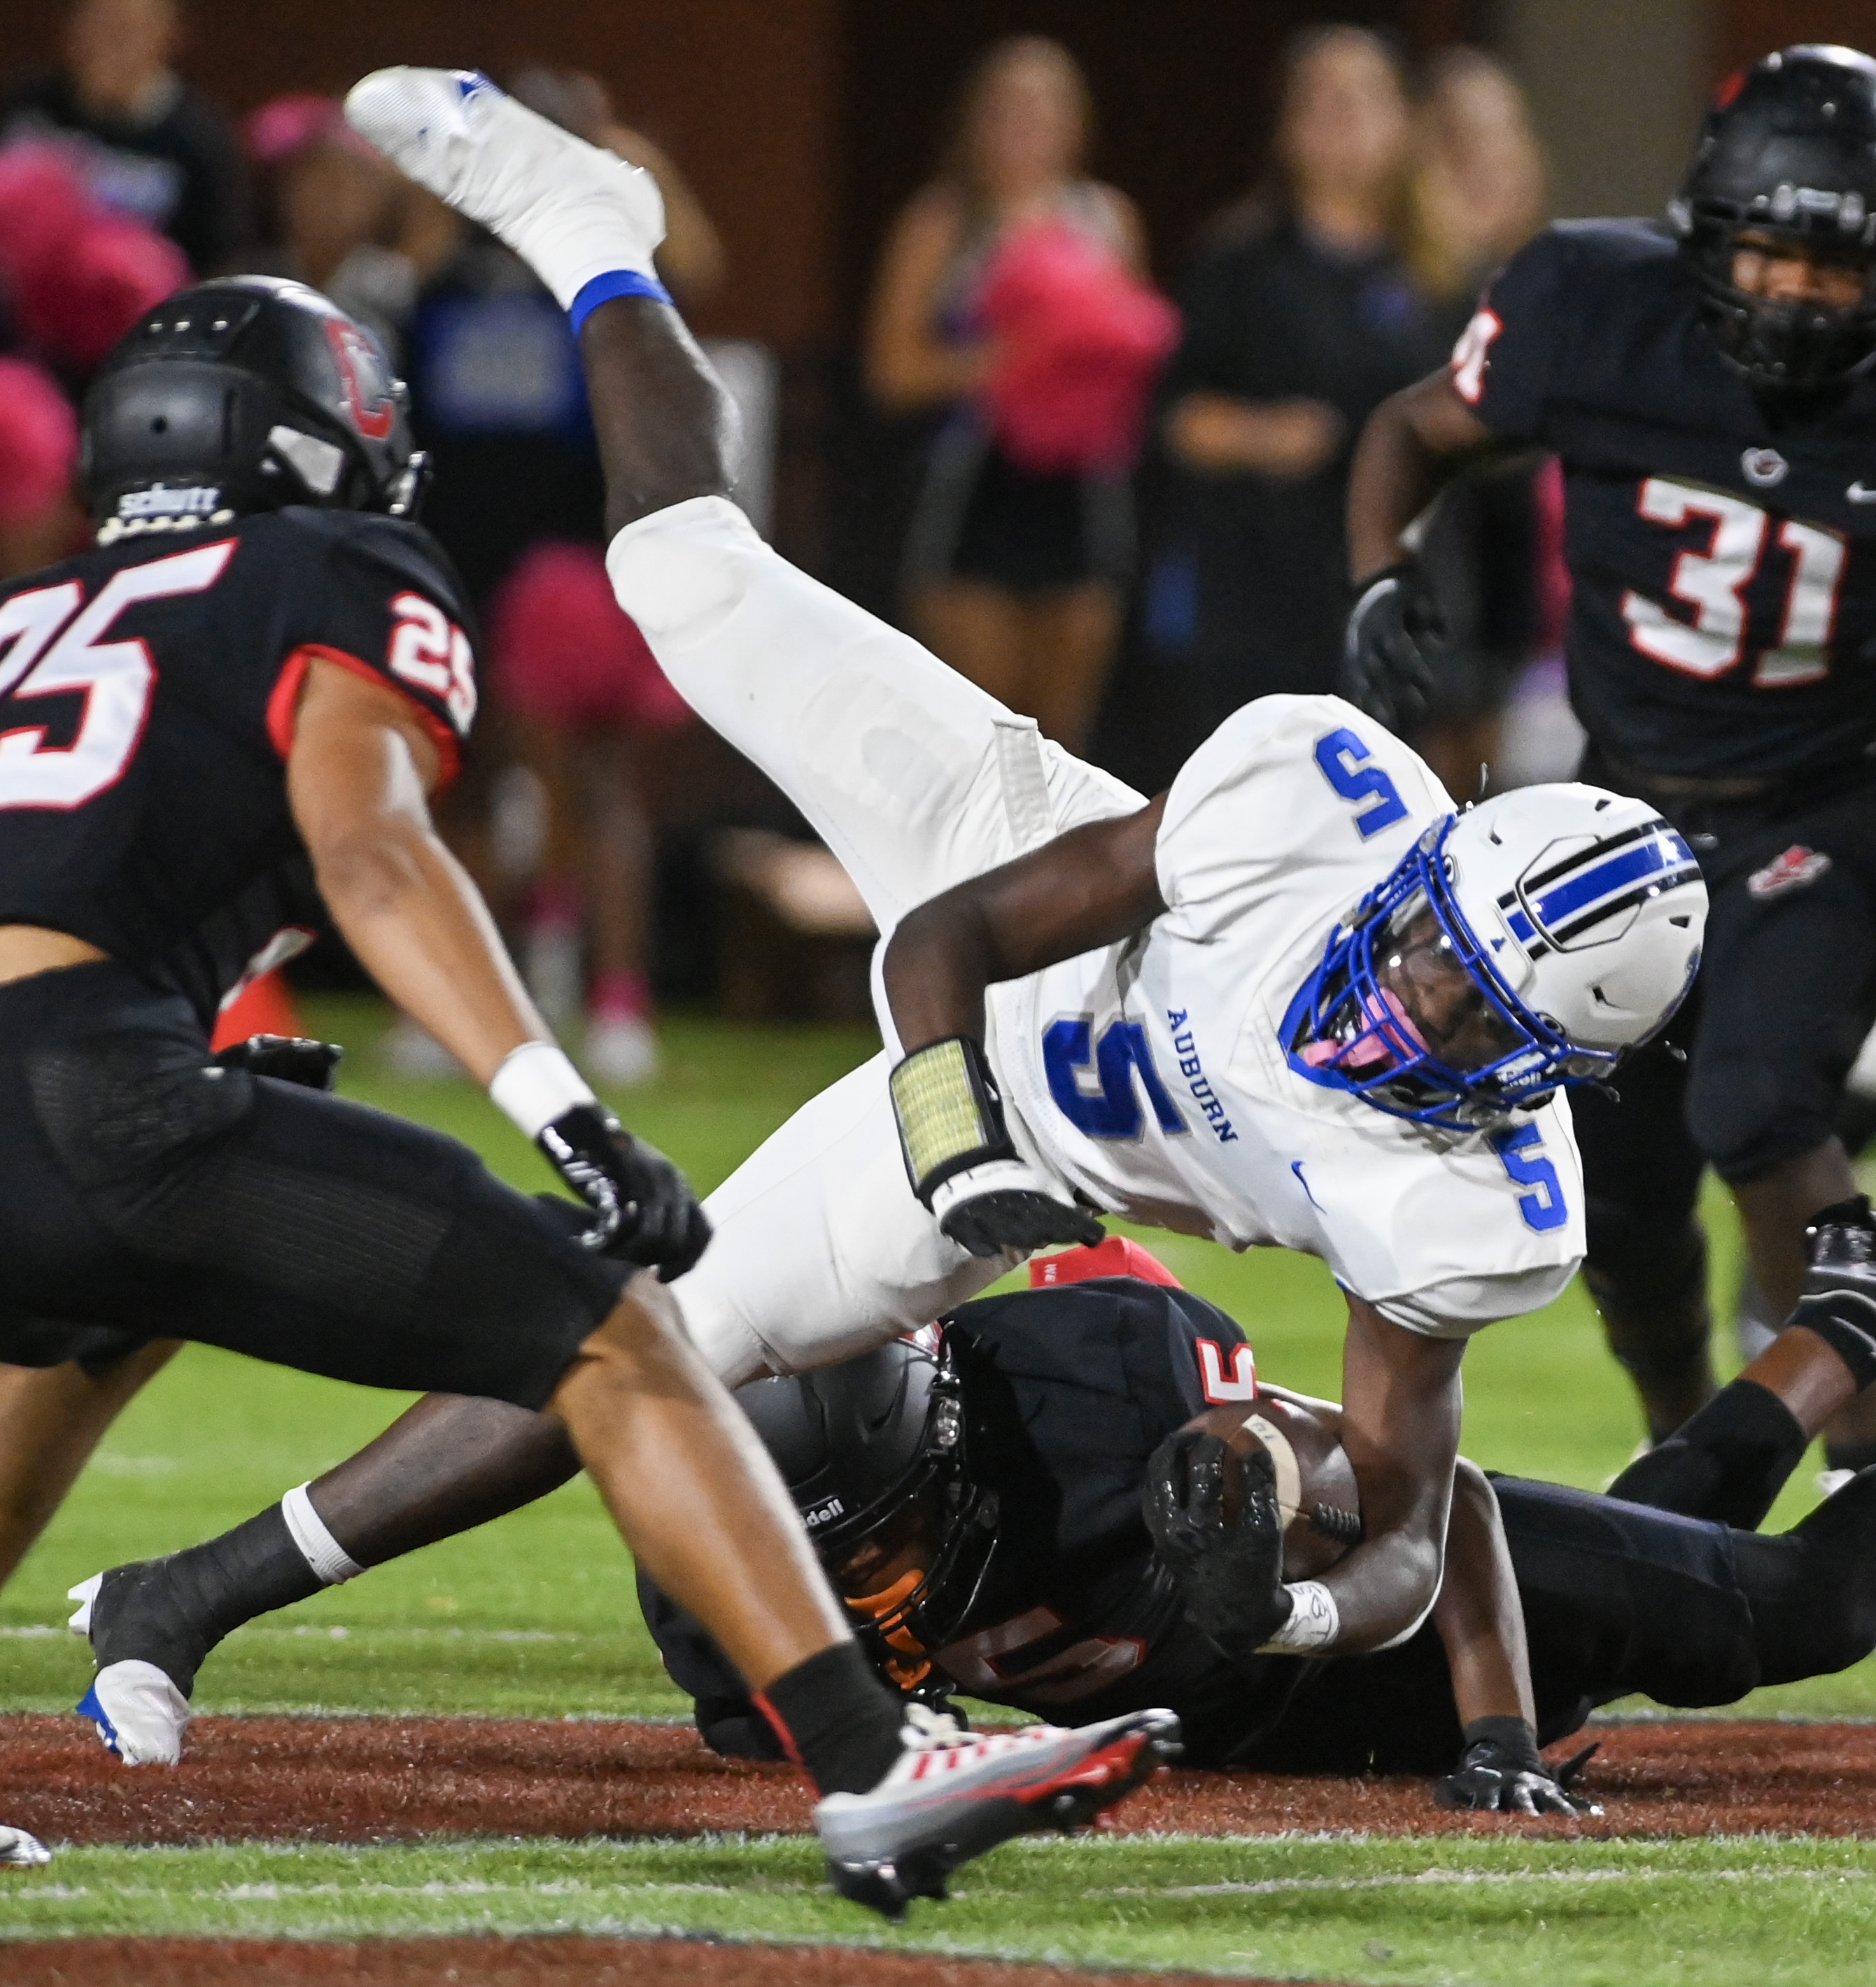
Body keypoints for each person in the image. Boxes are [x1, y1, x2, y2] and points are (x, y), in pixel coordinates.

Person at [314, 66, 1707, 1673]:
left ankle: (223, 1585)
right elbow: (960, 927)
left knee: (666, 1333)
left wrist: (1305, 1612)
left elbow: (1411, 1505)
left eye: (1476, 1013)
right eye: (1436, 934)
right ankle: (590, 231)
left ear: (1550, 1071)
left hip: (1040, 1137)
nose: (1416, 986)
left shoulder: (1486, 1209)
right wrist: (948, 1117)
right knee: (683, 580)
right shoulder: (1314, 799)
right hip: (1006, 870)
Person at [0, 269, 1174, 1917]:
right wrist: (556, 1099)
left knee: (80, 1314)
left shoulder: (31, 609)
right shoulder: (331, 566)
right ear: (330, 441)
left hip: (66, 1087)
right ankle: (867, 1764)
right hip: (87, 1088)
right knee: (616, 1324)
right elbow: (374, 846)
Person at [77, 1209, 1876, 1812]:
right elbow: (742, 1706)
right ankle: (1841, 1328)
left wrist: (1491, 1738)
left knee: (1770, 1615)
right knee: (1682, 1569)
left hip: (1410, 1629)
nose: (858, 1579)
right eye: (817, 1555)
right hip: (1267, 1712)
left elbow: (1446, 1496)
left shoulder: (1108, 1393)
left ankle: (1836, 1338)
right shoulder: (722, 1581)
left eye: (871, 1529)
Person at [1341, 45, 1876, 1463]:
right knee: (1621, 1186)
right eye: (1767, 255)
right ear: (1705, 233)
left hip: (1822, 792)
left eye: (1833, 269)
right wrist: (1374, 577)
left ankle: (1853, 1437)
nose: (1793, 297)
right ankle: (1677, 1435)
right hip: (1623, 808)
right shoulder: (1590, 301)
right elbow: (1410, 431)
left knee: (1755, 1102)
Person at [1145, 26, 1447, 757]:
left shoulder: (1443, 274)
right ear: (1284, 126)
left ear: (1403, 121)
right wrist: (1257, 435)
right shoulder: (1236, 260)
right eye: (1317, 99)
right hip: (1258, 612)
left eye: (1360, 99)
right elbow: (1170, 418)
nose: (1339, 118)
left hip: (1401, 610)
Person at [866, 36, 1151, 754]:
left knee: (1061, 741)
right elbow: (892, 370)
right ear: (972, 123)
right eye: (1006, 107)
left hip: (1080, 490)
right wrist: (1010, 359)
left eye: (1043, 107)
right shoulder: (942, 222)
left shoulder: (1105, 221)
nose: (1024, 124)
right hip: (972, 489)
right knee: (986, 733)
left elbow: (1134, 352)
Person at [0, 0, 242, 277]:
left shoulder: (199, 138)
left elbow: (218, 257)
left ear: (170, 38)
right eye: (99, 22)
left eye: (128, 29)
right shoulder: (26, 106)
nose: (111, 42)